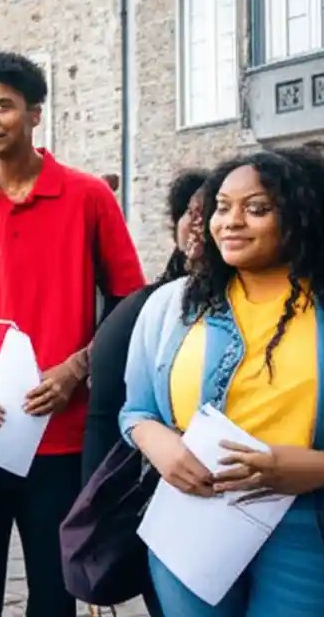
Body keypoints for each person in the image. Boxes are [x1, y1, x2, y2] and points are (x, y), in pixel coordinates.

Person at [0, 51, 146, 617]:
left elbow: (129, 302)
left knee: (55, 593)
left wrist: (78, 368)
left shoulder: (88, 196)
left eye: (3, 106)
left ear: (35, 114)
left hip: (64, 431)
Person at [120, 148, 324, 616]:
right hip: (192, 520)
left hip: (311, 524)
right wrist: (162, 447)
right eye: (222, 207)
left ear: (304, 217)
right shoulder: (173, 306)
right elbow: (136, 411)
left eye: (257, 208)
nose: (231, 222)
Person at [81, 168, 207, 617]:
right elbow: (107, 415)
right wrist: (95, 532)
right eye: (191, 212)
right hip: (165, 503)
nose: (201, 223)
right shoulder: (147, 308)